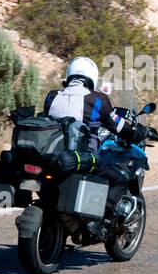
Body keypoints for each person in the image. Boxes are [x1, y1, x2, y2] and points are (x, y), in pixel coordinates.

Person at [42, 57, 147, 219]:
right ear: (92, 77)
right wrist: (135, 134)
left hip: (53, 156)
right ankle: (100, 218)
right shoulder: (98, 100)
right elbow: (116, 126)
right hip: (83, 157)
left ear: (69, 74)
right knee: (121, 178)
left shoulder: (51, 96)